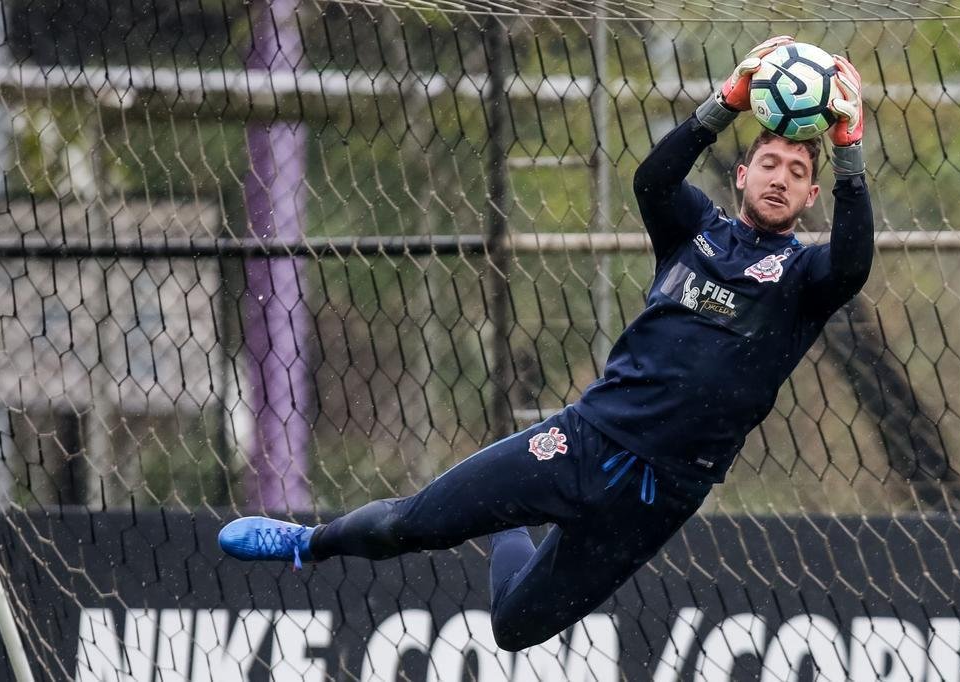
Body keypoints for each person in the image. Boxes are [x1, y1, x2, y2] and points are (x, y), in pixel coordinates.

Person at [218, 36, 872, 652]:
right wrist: (726, 99)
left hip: (657, 498)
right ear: (742, 175)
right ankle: (308, 541)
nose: (780, 176)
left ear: (812, 193)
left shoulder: (803, 279)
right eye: (768, 162)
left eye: (795, 170)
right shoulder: (694, 230)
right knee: (407, 525)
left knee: (514, 627)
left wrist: (848, 143)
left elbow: (852, 263)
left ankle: (509, 519)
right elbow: (653, 182)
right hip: (582, 443)